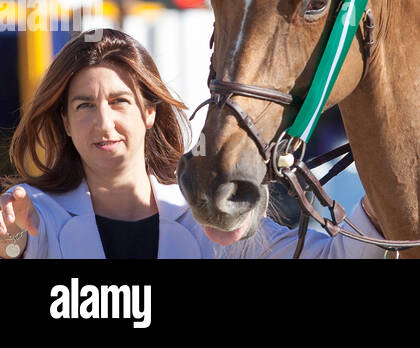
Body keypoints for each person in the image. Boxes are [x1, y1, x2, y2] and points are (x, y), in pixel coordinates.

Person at [0, 29, 384, 260]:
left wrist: (384, 189)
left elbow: (337, 257)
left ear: (149, 112)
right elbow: (13, 249)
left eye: (120, 101)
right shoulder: (33, 214)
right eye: (84, 106)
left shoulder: (209, 219)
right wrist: (12, 238)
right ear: (65, 121)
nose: (104, 123)